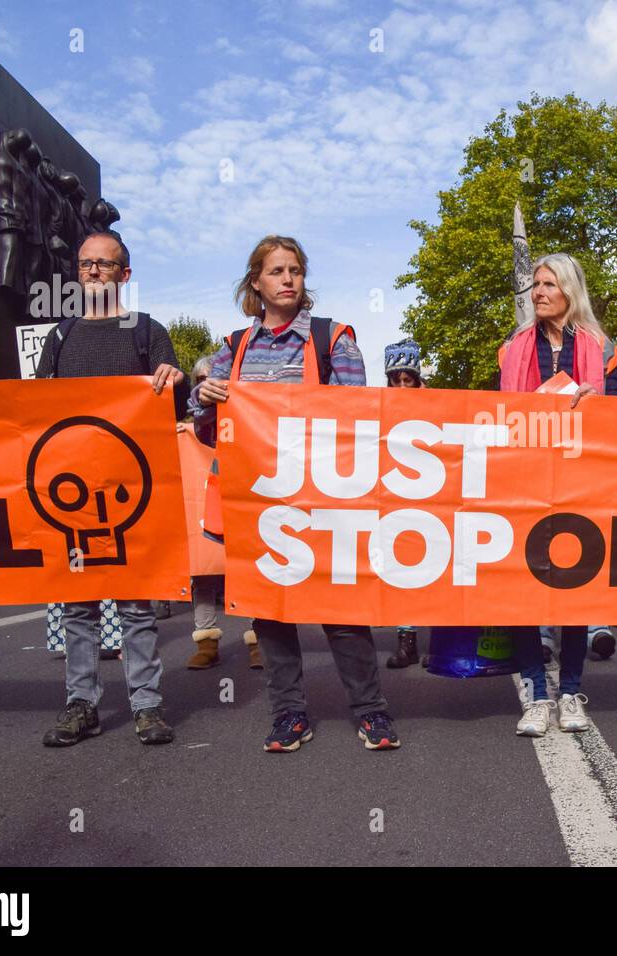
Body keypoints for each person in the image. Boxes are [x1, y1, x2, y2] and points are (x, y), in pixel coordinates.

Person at [191, 234, 399, 752]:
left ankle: (371, 712)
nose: (288, 279)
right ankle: (289, 716)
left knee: (342, 609)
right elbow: (206, 429)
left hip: (325, 495)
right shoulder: (234, 347)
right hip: (259, 501)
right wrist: (205, 397)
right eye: (277, 271)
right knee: (272, 613)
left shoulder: (334, 339)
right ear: (256, 282)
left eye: (296, 270)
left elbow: (359, 418)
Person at [34, 230, 186, 747]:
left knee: (135, 606)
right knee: (78, 606)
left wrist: (175, 380)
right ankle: (82, 705)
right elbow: (37, 411)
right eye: (85, 264)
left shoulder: (147, 333)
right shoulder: (61, 336)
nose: (93, 271)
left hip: (131, 493)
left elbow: (175, 410)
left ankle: (146, 705)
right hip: (71, 492)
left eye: (104, 264)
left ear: (125, 274)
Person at [497, 252, 617, 736]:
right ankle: (535, 693)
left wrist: (600, 404)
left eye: (549, 284)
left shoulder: (602, 349)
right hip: (524, 481)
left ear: (570, 290)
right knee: (522, 593)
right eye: (536, 285)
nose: (539, 292)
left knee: (574, 589)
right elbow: (497, 415)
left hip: (579, 482)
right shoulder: (512, 348)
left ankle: (570, 692)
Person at [184, 356, 263, 671]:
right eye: (202, 380)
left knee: (246, 567)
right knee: (203, 569)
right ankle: (206, 643)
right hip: (208, 498)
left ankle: (259, 640)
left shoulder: (246, 414)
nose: (209, 384)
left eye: (214, 379)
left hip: (239, 487)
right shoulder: (191, 424)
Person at [381, 338, 425, 669]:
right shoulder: (381, 407)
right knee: (404, 570)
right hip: (397, 500)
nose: (401, 387)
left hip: (434, 501)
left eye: (407, 380)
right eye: (395, 381)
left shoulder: (439, 404)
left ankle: (446, 642)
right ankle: (406, 640)